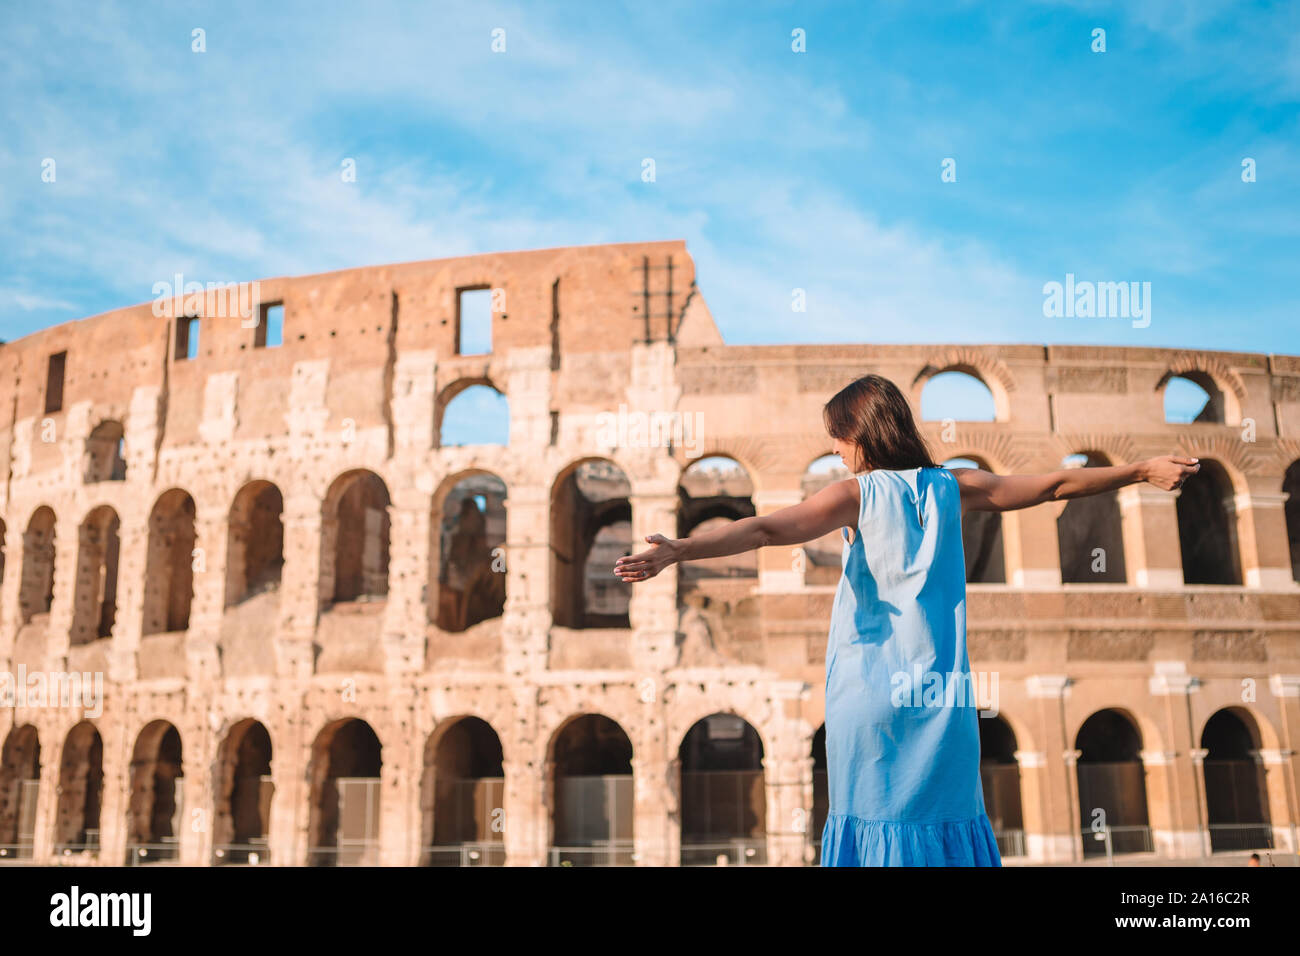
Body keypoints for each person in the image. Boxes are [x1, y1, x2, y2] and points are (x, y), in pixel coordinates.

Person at [613, 373, 1200, 866]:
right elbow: (1053, 485)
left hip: (868, 694)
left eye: (838, 439)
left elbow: (769, 529)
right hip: (941, 698)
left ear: (859, 434)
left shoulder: (857, 494)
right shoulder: (953, 486)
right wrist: (1140, 469)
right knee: (945, 818)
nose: (837, 450)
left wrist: (680, 550)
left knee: (873, 822)